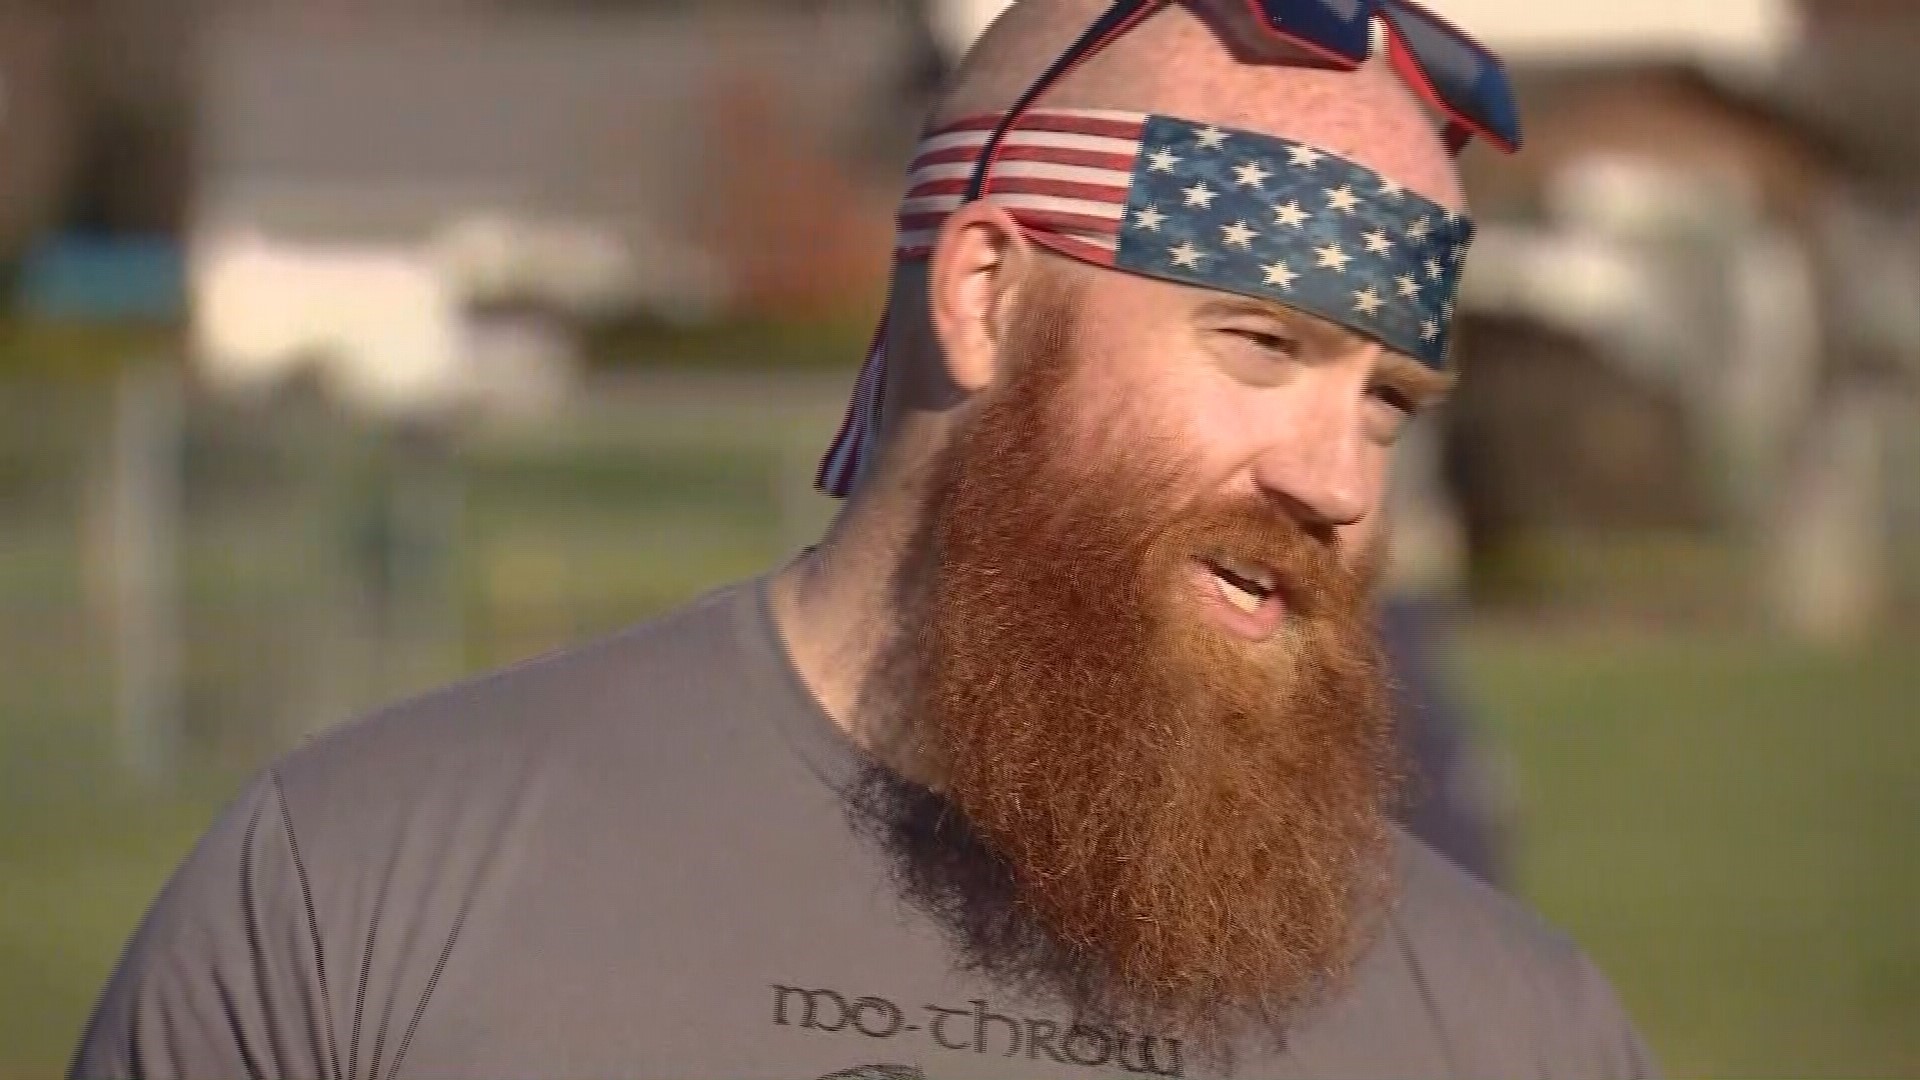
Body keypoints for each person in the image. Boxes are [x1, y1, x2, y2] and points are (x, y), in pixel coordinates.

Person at [70, 2, 1656, 1077]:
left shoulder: (1512, 1033)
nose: (1341, 479)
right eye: (1258, 345)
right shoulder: (359, 894)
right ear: (981, 295)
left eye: (1388, 403)